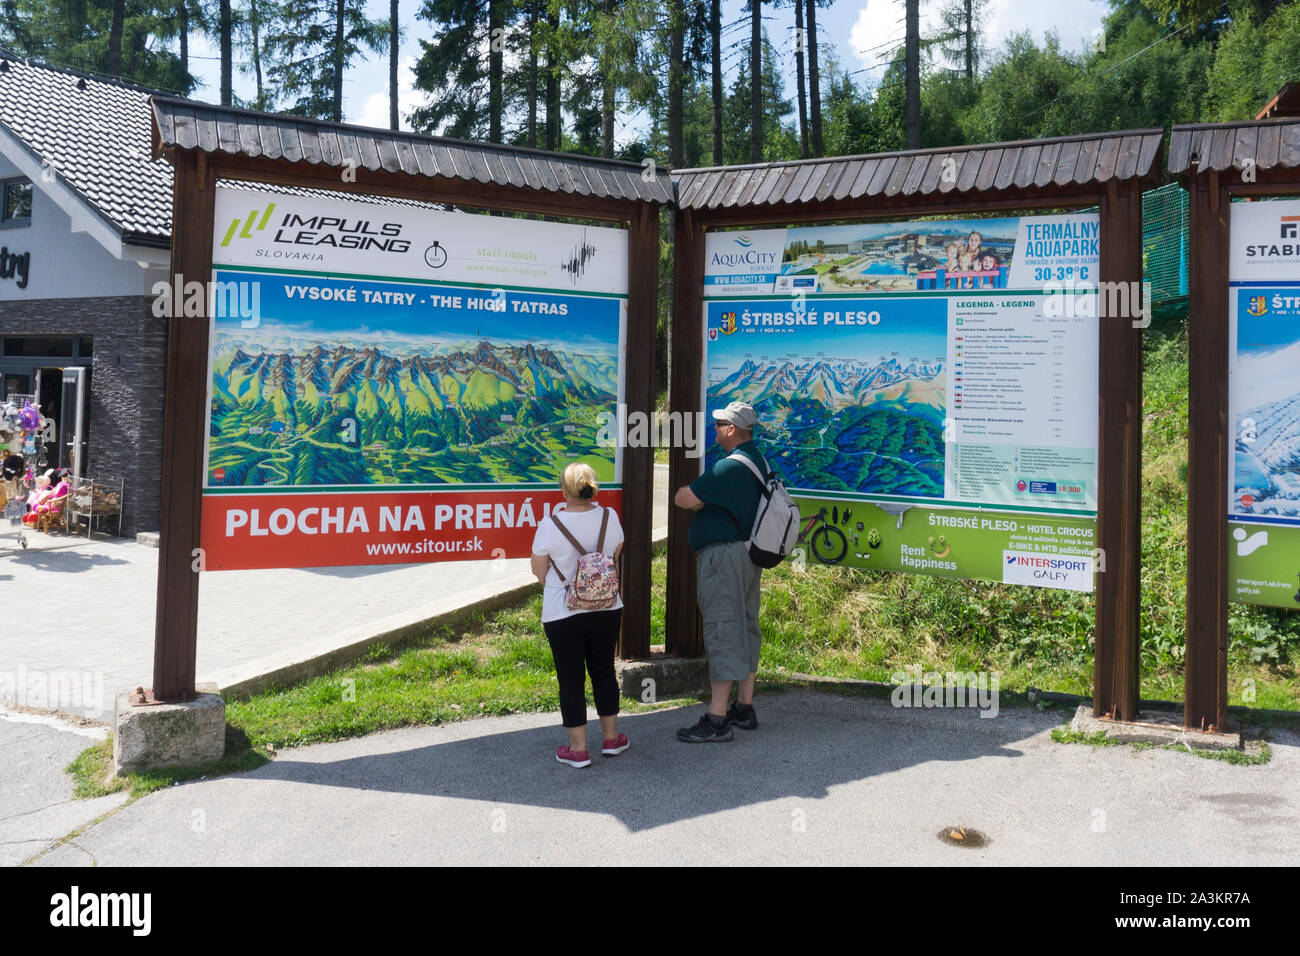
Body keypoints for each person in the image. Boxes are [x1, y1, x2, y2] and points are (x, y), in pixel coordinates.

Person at [672, 400, 768, 742]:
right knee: (745, 625)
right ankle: (744, 707)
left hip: (722, 559)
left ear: (732, 430)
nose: (715, 429)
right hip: (745, 556)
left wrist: (696, 497)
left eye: (719, 424)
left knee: (723, 628)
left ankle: (717, 720)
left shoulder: (729, 468)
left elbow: (684, 498)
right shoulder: (757, 460)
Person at [531, 462, 627, 768]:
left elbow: (539, 571)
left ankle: (578, 748)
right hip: (607, 607)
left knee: (570, 679)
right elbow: (615, 554)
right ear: (592, 488)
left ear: (563, 490)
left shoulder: (550, 524)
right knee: (604, 670)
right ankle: (611, 739)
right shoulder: (610, 518)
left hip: (562, 612)